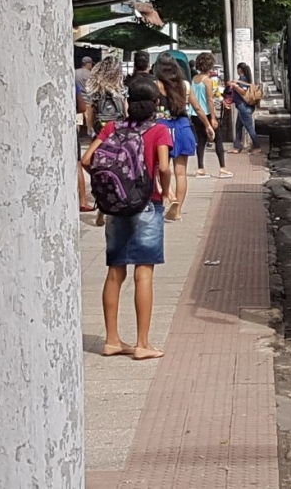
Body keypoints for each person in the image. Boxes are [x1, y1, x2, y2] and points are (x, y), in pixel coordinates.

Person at [82, 75, 173, 361]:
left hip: (116, 207)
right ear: (156, 104)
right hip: (147, 205)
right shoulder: (159, 130)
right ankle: (142, 343)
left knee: (115, 272)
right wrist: (165, 191)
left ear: (129, 103)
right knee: (143, 273)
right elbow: (164, 166)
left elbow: (87, 160)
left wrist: (107, 188)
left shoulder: (112, 127)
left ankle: (111, 340)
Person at [154, 52, 213, 220]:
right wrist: (208, 125)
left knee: (160, 168)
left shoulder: (155, 85)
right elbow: (198, 108)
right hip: (182, 126)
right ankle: (177, 210)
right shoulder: (185, 85)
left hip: (162, 129)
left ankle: (169, 195)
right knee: (181, 173)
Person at [85, 57, 127, 226]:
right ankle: (115, 201)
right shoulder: (121, 90)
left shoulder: (96, 91)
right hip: (117, 135)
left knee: (98, 167)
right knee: (118, 169)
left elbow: (89, 112)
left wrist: (90, 129)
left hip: (100, 134)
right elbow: (126, 111)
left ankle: (102, 203)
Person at [192, 52, 231, 178]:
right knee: (218, 139)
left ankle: (200, 168)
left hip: (195, 113)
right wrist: (213, 118)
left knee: (201, 140)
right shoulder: (207, 80)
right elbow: (209, 100)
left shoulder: (194, 79)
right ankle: (223, 168)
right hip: (207, 113)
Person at [228, 62, 261, 154]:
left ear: (240, 69)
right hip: (243, 107)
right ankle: (237, 147)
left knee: (249, 127)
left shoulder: (243, 79)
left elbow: (243, 92)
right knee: (238, 126)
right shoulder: (246, 79)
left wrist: (235, 86)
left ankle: (257, 147)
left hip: (243, 107)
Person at [77, 82, 95, 213]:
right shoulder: (73, 86)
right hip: (70, 127)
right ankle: (83, 200)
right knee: (78, 164)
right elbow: (82, 107)